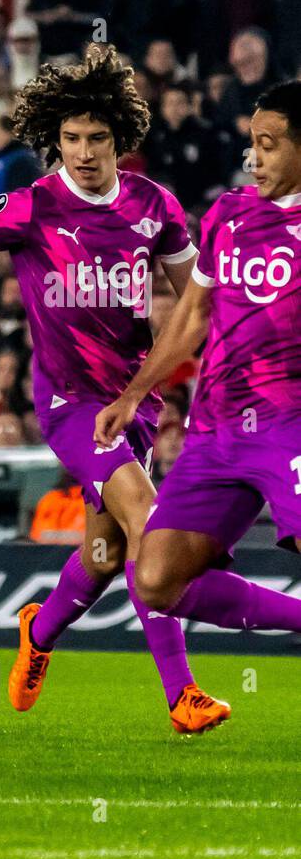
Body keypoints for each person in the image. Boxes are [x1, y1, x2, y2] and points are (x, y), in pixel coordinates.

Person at [0, 44, 227, 733]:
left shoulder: (154, 206)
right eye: (70, 138)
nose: (82, 151)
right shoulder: (28, 207)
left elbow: (196, 302)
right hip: (70, 403)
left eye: (96, 138)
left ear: (118, 139)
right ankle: (182, 693)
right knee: (148, 521)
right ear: (56, 141)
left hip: (135, 398)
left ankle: (37, 633)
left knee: (103, 555)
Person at [95, 82, 301, 730]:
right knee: (157, 578)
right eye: (251, 143)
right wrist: (133, 394)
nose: (254, 157)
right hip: (215, 432)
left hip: (290, 424)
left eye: (269, 145)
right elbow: (191, 318)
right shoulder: (229, 214)